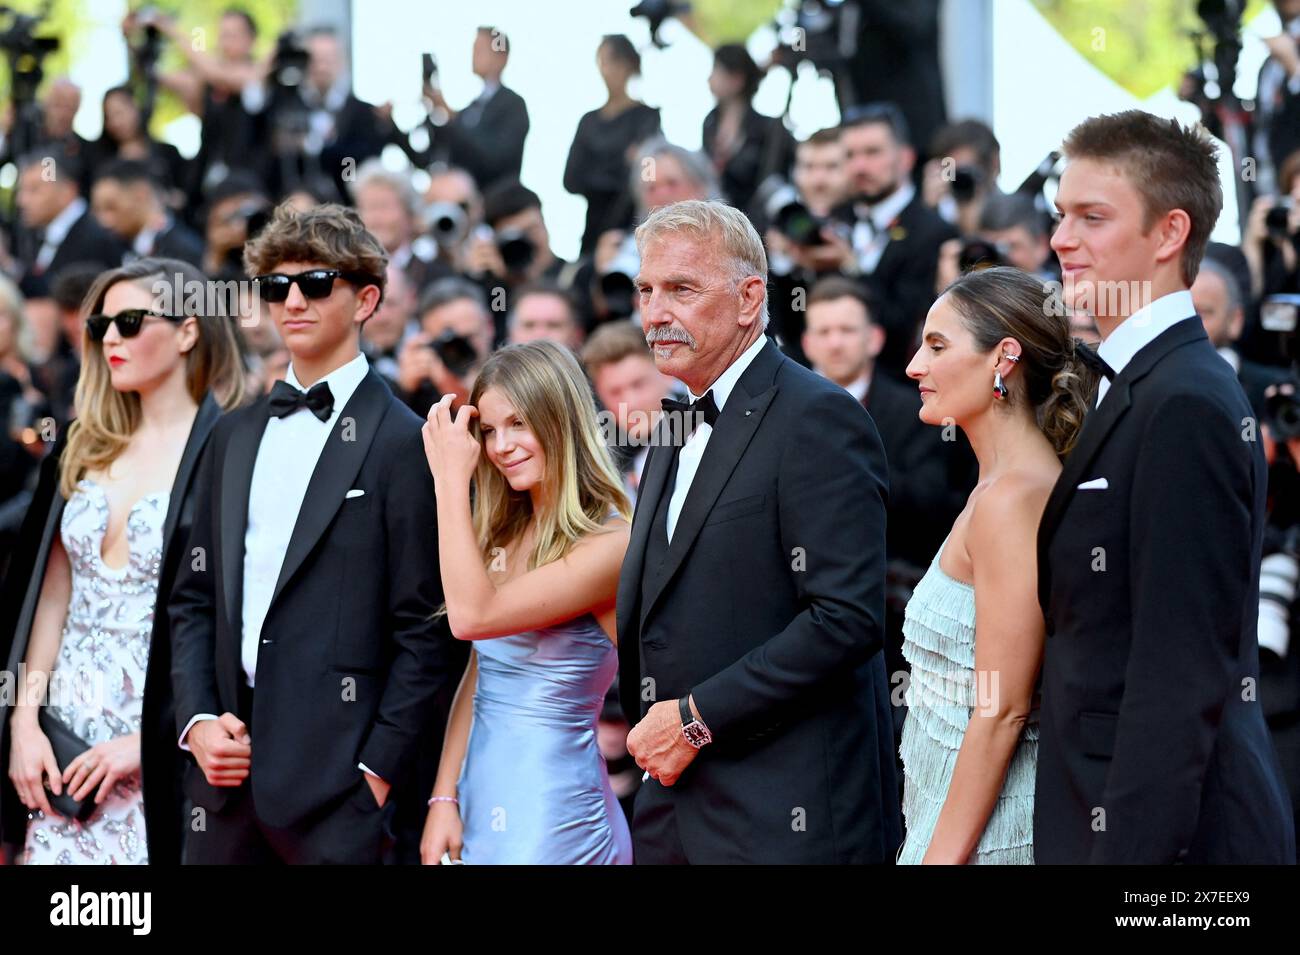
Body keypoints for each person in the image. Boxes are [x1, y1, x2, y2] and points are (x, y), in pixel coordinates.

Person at [1037, 110, 1295, 864]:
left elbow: (1177, 677)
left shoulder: (1183, 402)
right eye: (1060, 215)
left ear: (1168, 233)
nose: (1060, 240)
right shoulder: (1141, 386)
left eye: (1092, 216)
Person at [168, 203, 461, 864]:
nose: (292, 300)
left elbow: (427, 625)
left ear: (366, 299)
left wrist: (376, 773)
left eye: (315, 283)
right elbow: (194, 596)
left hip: (341, 798)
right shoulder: (232, 434)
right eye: (276, 286)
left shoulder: (406, 443)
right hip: (222, 783)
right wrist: (199, 720)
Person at [617, 199, 900, 863]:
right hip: (675, 811)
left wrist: (693, 718)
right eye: (646, 290)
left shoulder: (817, 418)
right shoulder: (673, 424)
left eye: (681, 289)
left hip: (785, 819)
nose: (655, 312)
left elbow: (845, 617)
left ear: (749, 299)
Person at [1, 257, 246, 864]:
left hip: (160, 733)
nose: (111, 337)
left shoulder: (232, 450)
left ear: (189, 331)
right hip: (62, 737)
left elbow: (232, 621)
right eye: (100, 326)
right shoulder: (84, 443)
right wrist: (25, 724)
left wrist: (147, 744)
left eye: (131, 322)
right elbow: (52, 599)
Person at [897, 266, 1093, 863]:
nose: (914, 367)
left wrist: (940, 857)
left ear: (1003, 358)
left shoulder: (1016, 498)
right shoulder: (998, 486)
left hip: (989, 836)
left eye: (937, 346)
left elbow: (1002, 708)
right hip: (951, 816)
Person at [419, 340, 634, 864]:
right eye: (488, 431)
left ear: (561, 421)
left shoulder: (611, 543)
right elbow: (481, 670)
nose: (500, 447)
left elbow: (471, 619)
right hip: (478, 798)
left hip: (556, 817)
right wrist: (444, 795)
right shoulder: (505, 532)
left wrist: (449, 481)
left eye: (518, 423)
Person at [563, 35, 662, 257]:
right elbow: (571, 179)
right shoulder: (589, 121)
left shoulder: (646, 118)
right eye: (602, 62)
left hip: (633, 225)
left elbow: (648, 172)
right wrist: (623, 166)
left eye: (611, 61)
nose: (606, 70)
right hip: (594, 229)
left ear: (627, 65)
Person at [701, 44, 795, 216]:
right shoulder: (709, 123)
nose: (709, 78)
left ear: (737, 79)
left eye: (716, 70)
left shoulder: (768, 128)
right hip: (719, 216)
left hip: (758, 220)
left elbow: (770, 181)